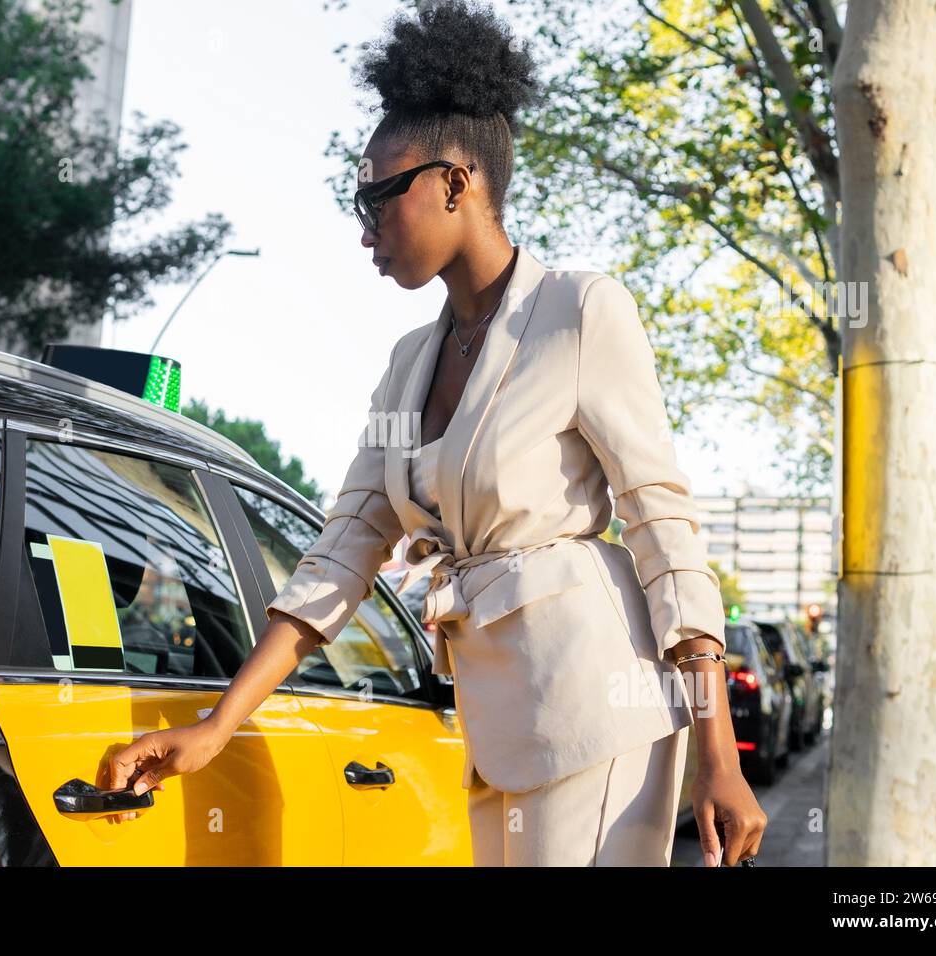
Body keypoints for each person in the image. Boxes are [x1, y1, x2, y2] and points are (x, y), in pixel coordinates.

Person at [108, 0, 766, 867]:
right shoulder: (406, 364)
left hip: (600, 713)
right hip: (493, 731)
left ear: (456, 183)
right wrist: (217, 724)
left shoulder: (579, 312)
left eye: (379, 198)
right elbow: (341, 554)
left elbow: (661, 525)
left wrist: (720, 756)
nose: (364, 230)